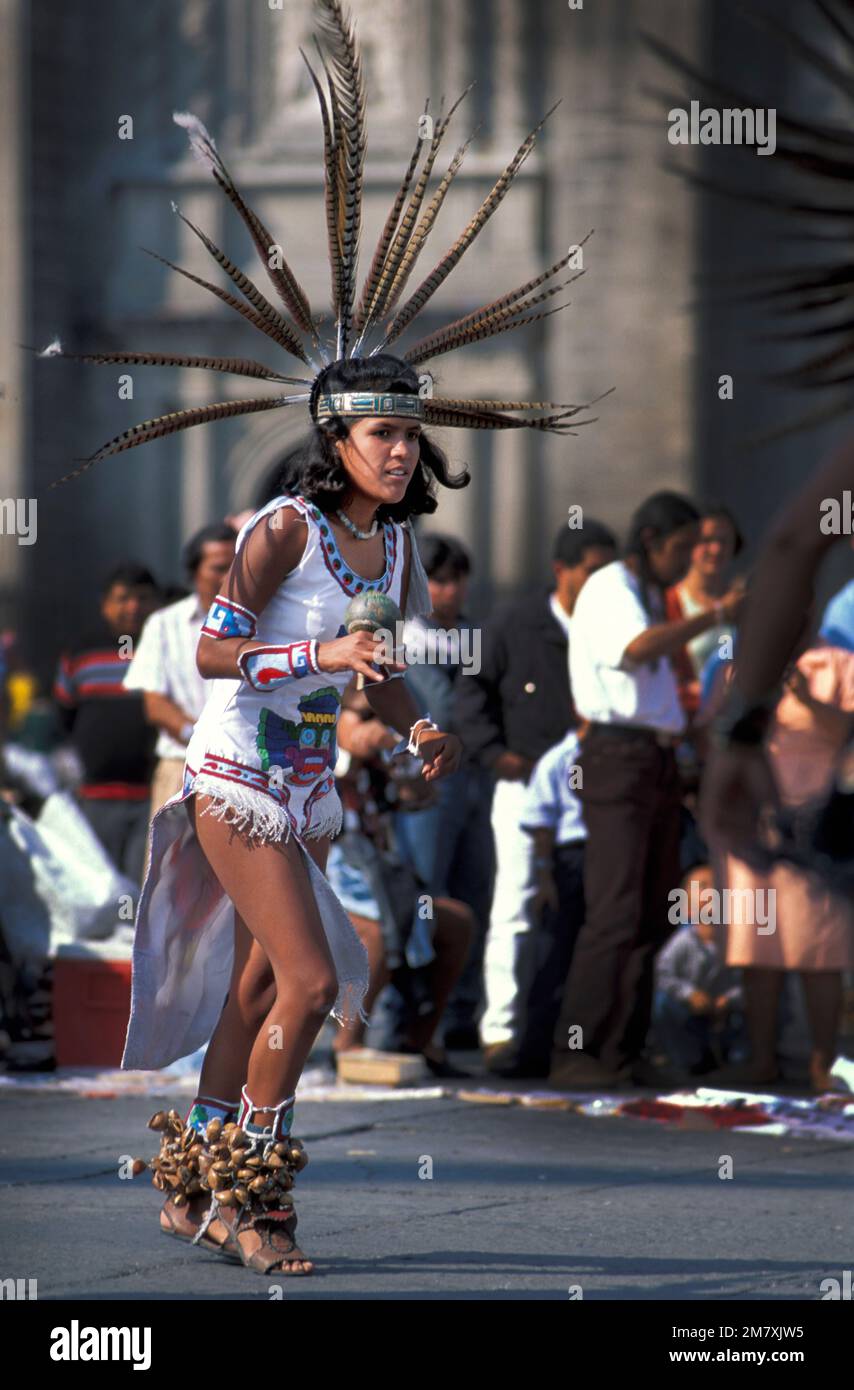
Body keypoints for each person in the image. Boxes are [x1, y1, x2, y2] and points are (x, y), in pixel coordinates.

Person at [48, 4, 604, 1279]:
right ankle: (259, 1198)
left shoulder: (392, 547)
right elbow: (219, 662)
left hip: (310, 788)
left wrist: (407, 716)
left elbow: (382, 653)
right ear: (333, 435)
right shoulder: (279, 532)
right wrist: (321, 668)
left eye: (410, 431)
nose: (398, 448)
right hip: (238, 779)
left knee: (255, 996)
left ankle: (188, 1176)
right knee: (315, 982)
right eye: (377, 431)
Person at [552, 492, 744, 1089]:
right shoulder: (611, 587)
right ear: (653, 540)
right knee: (613, 912)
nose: (688, 561)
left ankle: (620, 1051)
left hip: (655, 762)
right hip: (617, 757)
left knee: (652, 914)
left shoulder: (647, 594)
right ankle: (575, 1051)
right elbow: (634, 651)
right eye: (681, 548)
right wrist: (715, 616)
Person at [453, 520, 617, 1076]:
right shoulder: (512, 626)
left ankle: (570, 1033)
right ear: (562, 571)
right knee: (518, 905)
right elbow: (468, 695)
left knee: (591, 911)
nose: (599, 585)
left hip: (598, 792)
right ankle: (502, 1032)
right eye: (591, 572)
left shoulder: (617, 627)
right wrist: (495, 754)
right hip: (524, 786)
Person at [390, 533, 495, 1051]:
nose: (449, 591)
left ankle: (459, 1018)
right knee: (424, 898)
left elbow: (481, 708)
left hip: (474, 782)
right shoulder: (399, 639)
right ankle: (406, 1021)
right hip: (426, 787)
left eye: (457, 579)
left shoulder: (476, 637)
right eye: (439, 579)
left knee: (475, 889)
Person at [53, 563, 160, 884]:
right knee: (101, 887)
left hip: (153, 796)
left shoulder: (167, 647)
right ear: (105, 604)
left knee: (144, 889)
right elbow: (65, 714)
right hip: (97, 796)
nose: (133, 607)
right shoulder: (81, 653)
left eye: (143, 598)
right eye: (123, 598)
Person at [124, 523, 237, 822]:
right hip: (181, 768)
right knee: (171, 868)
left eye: (236, 566)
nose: (228, 577)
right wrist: (204, 740)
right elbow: (156, 705)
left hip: (246, 774)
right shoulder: (163, 625)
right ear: (194, 573)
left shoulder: (264, 625)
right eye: (218, 568)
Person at [517, 724, 587, 1078]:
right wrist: (544, 876)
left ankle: (583, 1048)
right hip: (570, 858)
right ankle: (536, 1052)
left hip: (610, 856)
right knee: (555, 956)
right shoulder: (560, 758)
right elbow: (540, 821)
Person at [652, 864, 744, 1076]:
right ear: (686, 906)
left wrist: (729, 999)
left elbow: (747, 981)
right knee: (663, 1004)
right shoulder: (681, 942)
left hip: (726, 1014)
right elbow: (663, 976)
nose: (712, 892)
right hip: (691, 1012)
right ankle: (686, 1059)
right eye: (702, 886)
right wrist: (689, 994)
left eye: (718, 885)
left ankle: (739, 1058)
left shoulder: (737, 942)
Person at [665, 502, 744, 718]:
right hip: (689, 720)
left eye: (723, 541)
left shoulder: (744, 602)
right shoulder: (670, 603)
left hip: (738, 725)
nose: (716, 550)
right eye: (706, 541)